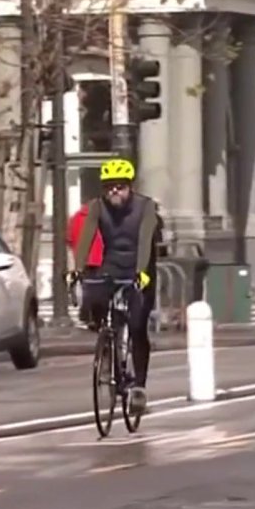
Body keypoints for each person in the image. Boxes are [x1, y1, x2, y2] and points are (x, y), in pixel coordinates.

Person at [73, 158, 164, 415]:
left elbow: (146, 241)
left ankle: (139, 387)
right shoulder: (97, 208)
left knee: (137, 326)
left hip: (140, 268)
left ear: (130, 187)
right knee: (97, 297)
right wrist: (77, 270)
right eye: (109, 187)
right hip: (112, 266)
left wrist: (140, 274)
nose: (114, 191)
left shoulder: (145, 207)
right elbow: (86, 238)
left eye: (120, 186)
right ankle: (107, 348)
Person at [67, 202, 104, 325]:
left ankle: (87, 316)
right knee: (100, 287)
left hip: (82, 259)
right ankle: (97, 317)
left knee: (86, 287)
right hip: (100, 259)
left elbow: (69, 238)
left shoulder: (75, 218)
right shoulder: (102, 217)